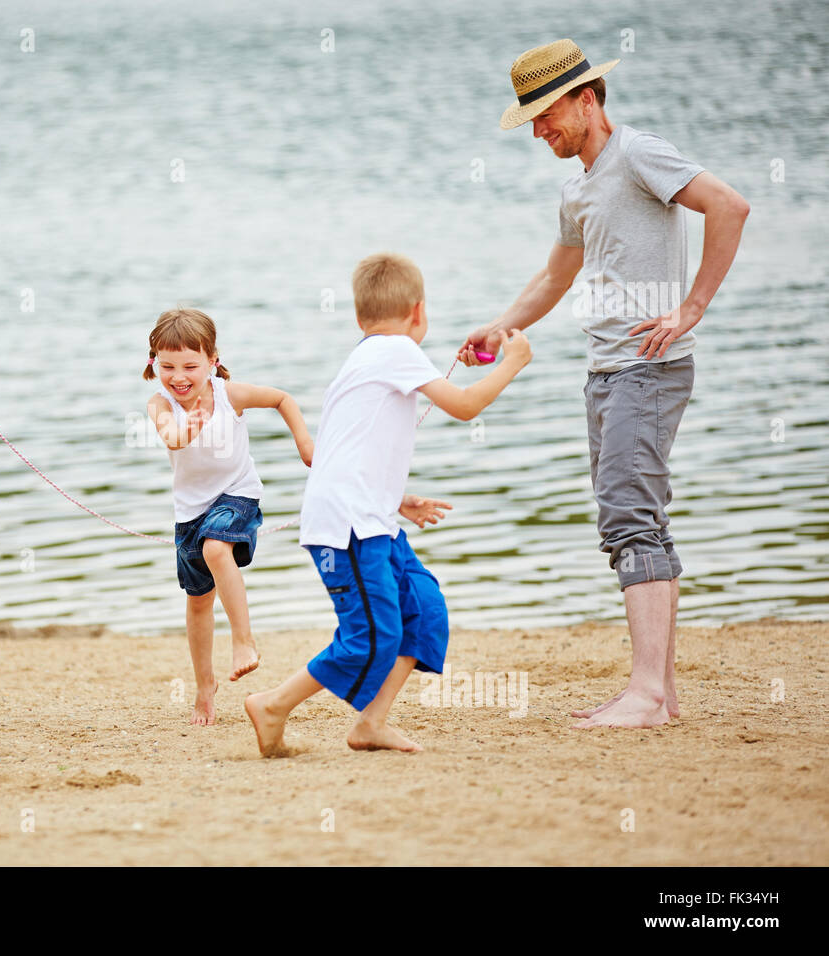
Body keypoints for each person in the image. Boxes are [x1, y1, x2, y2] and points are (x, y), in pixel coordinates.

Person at [459, 40, 750, 728]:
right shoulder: (578, 185)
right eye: (530, 120)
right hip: (606, 373)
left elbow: (729, 206)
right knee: (637, 516)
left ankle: (645, 695)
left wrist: (691, 308)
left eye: (546, 114)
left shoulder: (639, 153)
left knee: (628, 516)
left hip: (648, 368)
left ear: (586, 100)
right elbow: (557, 277)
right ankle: (662, 696)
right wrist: (501, 327)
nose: (538, 131)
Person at [245, 253, 531, 756]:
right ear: (419, 313)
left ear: (360, 317)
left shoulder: (370, 356)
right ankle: (273, 703)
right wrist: (512, 362)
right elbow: (465, 407)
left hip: (371, 517)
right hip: (346, 529)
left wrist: (396, 500)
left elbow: (347, 451)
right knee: (370, 636)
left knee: (423, 610)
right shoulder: (396, 351)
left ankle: (371, 723)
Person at [145, 308, 314, 725]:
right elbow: (170, 435)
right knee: (198, 603)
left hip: (237, 496)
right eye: (167, 366)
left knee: (217, 548)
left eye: (190, 365)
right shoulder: (159, 402)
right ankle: (205, 687)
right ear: (153, 363)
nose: (178, 376)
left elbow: (281, 398)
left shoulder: (229, 393)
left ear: (212, 361)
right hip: (190, 512)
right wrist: (190, 428)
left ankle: (244, 641)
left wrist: (305, 445)